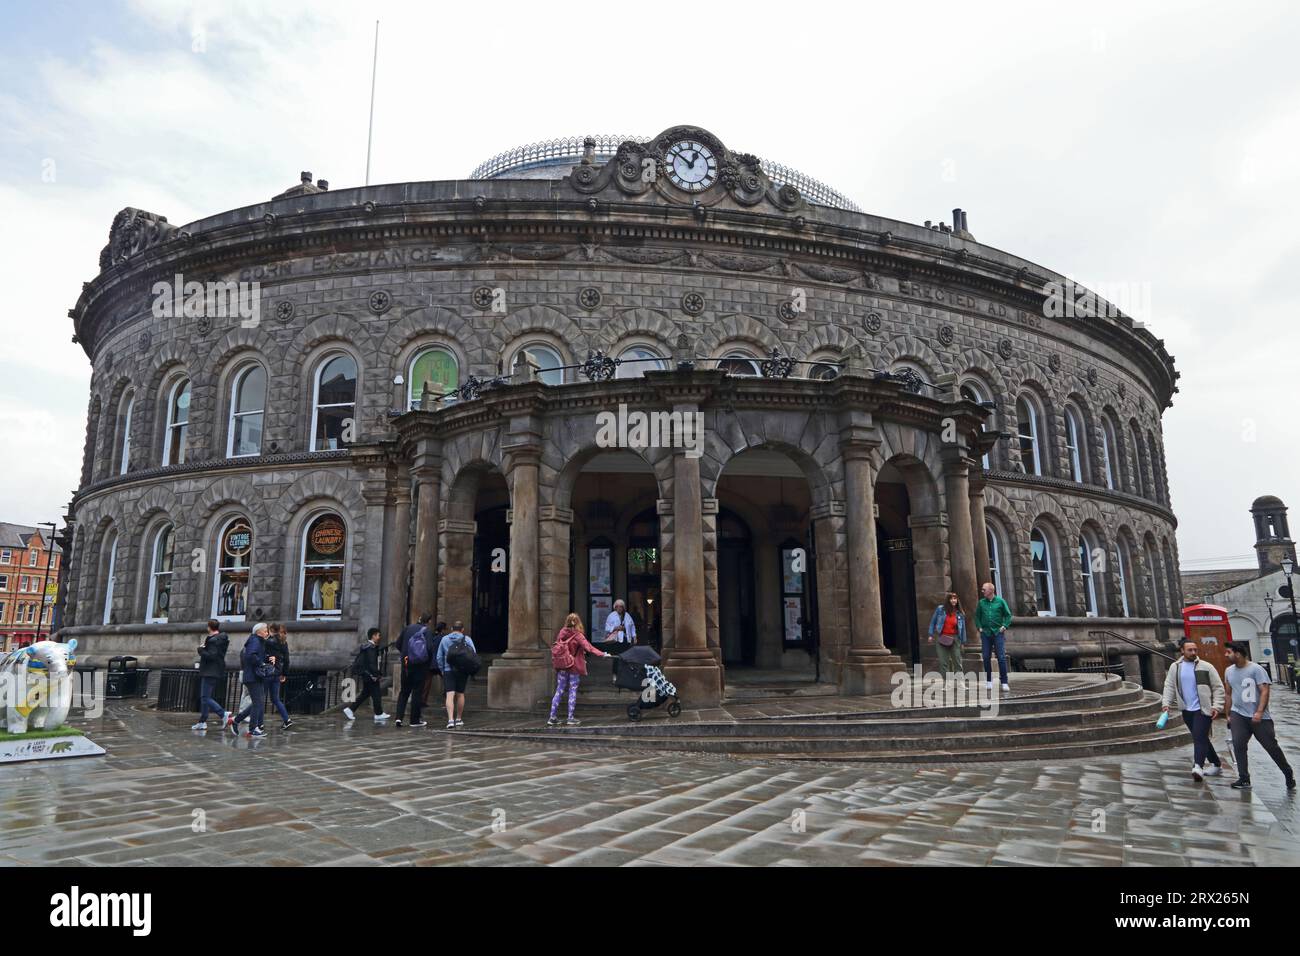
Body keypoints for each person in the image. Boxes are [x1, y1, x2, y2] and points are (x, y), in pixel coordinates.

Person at [1224, 641, 1295, 791]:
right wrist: (1228, 714)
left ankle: (1287, 772)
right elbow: (1228, 693)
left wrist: (1260, 712)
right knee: (1238, 745)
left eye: (1228, 652)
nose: (1226, 655)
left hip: (1259, 716)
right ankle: (1244, 778)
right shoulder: (1228, 671)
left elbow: (1264, 691)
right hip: (1238, 714)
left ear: (1237, 653)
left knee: (1270, 746)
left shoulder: (1256, 669)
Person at [1161, 638, 1225, 781]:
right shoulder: (1175, 667)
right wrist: (1166, 703)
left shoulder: (1206, 666)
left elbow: (1218, 687)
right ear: (1182, 651)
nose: (1193, 652)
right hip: (1186, 710)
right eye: (1190, 650)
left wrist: (1217, 706)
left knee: (1199, 737)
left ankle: (1198, 767)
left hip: (1203, 709)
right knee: (1201, 737)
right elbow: (1169, 686)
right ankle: (1216, 764)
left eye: (1195, 650)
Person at [548, 613, 610, 726]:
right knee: (572, 691)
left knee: (559, 690)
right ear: (578, 623)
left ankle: (552, 717)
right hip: (574, 666)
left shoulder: (562, 632)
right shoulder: (578, 635)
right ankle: (570, 717)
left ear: (567, 621)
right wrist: (603, 654)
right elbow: (589, 648)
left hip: (562, 666)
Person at [231, 622, 272, 738]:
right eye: (265, 631)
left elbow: (256, 655)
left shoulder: (258, 641)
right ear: (259, 632)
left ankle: (236, 721)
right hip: (252, 676)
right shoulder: (255, 640)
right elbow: (250, 656)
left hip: (255, 676)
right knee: (258, 702)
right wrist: (262, 663)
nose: (267, 633)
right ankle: (252, 728)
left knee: (257, 702)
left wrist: (268, 658)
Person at [192, 619, 233, 731]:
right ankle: (202, 721)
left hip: (210, 671)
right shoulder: (218, 639)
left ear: (209, 627)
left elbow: (212, 655)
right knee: (205, 697)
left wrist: (201, 650)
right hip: (214, 670)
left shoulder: (214, 640)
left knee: (205, 697)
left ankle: (223, 714)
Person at [343, 627, 390, 722]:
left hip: (367, 675)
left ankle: (350, 709)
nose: (379, 637)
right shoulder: (370, 648)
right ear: (373, 636)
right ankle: (378, 713)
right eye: (378, 635)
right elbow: (372, 664)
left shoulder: (367, 647)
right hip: (370, 676)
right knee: (376, 694)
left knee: (365, 694)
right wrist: (376, 674)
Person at [394, 613, 433, 728]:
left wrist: (405, 654)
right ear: (428, 621)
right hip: (420, 667)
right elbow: (430, 648)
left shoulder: (407, 628)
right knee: (417, 692)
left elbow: (397, 644)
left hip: (406, 665)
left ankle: (398, 718)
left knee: (404, 692)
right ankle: (414, 720)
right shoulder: (427, 631)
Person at [436, 620, 477, 729]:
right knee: (460, 694)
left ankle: (450, 720)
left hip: (448, 670)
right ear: (462, 629)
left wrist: (442, 669)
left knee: (450, 695)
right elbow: (473, 654)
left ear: (451, 629)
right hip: (462, 670)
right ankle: (458, 719)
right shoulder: (467, 639)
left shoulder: (444, 639)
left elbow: (439, 657)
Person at [975, 582, 1012, 692]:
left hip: (997, 633)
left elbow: (1008, 615)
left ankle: (1004, 682)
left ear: (991, 590)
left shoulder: (1000, 601)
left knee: (1001, 657)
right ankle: (989, 681)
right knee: (986, 657)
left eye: (984, 589)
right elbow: (977, 616)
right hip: (986, 633)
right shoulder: (981, 603)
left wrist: (1004, 626)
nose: (982, 591)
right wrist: (979, 627)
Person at [926, 592, 967, 676]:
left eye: (955, 599)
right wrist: (930, 634)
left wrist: (963, 642)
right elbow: (933, 622)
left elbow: (963, 630)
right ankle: (947, 684)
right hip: (941, 637)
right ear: (948, 600)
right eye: (951, 599)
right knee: (943, 662)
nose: (953, 600)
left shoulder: (960, 613)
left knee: (957, 661)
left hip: (955, 638)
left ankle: (960, 683)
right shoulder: (940, 609)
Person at [264, 623, 293, 730]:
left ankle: (258, 724)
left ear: (271, 630)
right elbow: (286, 660)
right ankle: (287, 720)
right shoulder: (283, 642)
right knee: (276, 699)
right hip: (277, 673)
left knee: (260, 699)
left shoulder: (268, 641)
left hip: (267, 672)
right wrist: (284, 674)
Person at [421, 621, 447, 708]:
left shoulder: (432, 637)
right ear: (442, 630)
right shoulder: (443, 639)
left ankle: (423, 700)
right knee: (447, 681)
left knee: (426, 683)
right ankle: (447, 701)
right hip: (439, 663)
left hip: (430, 663)